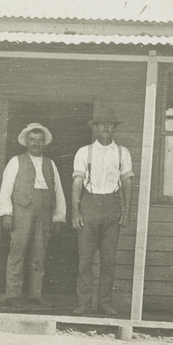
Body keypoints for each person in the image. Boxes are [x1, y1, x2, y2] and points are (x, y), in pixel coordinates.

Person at [71, 108, 134, 316]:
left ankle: (105, 303)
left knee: (109, 260)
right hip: (89, 205)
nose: (106, 128)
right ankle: (83, 303)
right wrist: (76, 212)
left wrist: (126, 210)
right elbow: (77, 182)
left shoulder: (122, 152)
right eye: (101, 125)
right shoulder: (84, 151)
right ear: (95, 128)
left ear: (114, 128)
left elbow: (126, 183)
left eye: (110, 125)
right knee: (85, 259)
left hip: (113, 206)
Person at [0, 123, 66, 308]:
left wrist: (58, 216)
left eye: (40, 140)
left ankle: (36, 294)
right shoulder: (16, 161)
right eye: (32, 140)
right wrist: (6, 213)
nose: (36, 143)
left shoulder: (51, 164)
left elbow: (58, 191)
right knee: (17, 252)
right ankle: (12, 295)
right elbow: (6, 188)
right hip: (22, 212)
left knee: (39, 254)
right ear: (26, 142)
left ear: (44, 143)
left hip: (44, 213)